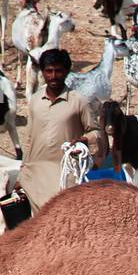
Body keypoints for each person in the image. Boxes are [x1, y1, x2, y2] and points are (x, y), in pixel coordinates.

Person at [19, 47, 91, 213]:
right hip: (35, 176)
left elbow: (96, 133)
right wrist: (22, 174)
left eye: (58, 71)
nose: (53, 76)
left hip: (65, 176)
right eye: (49, 71)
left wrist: (84, 141)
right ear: (42, 72)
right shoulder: (35, 100)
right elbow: (29, 138)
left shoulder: (79, 101)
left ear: (66, 72)